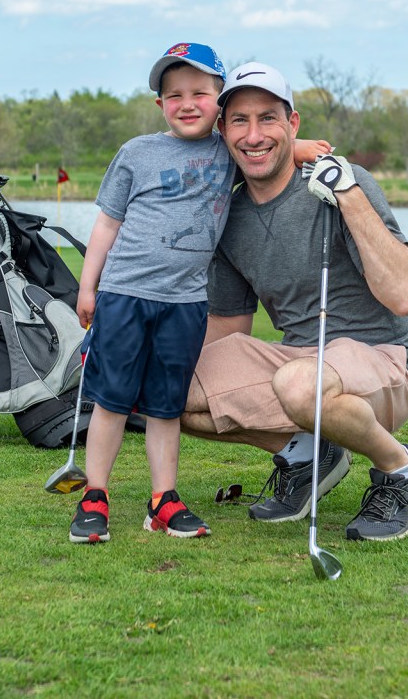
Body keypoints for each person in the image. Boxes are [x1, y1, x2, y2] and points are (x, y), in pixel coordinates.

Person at [70, 44, 328, 545]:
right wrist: (88, 285)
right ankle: (94, 495)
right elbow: (107, 223)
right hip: (124, 294)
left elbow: (264, 151)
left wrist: (301, 148)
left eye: (200, 93)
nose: (187, 103)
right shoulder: (137, 153)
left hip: (187, 303)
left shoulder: (224, 151)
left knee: (167, 405)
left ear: (219, 101)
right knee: (113, 401)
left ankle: (163, 501)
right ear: (160, 104)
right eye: (174, 95)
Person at [182, 62, 408, 543]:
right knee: (164, 385)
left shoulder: (344, 181)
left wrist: (348, 194)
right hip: (301, 360)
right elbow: (229, 331)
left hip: (389, 358)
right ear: (222, 130)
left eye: (268, 119)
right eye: (240, 120)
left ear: (293, 124)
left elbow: (404, 295)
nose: (254, 135)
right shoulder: (229, 213)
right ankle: (313, 453)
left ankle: (400, 469)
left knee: (300, 386)